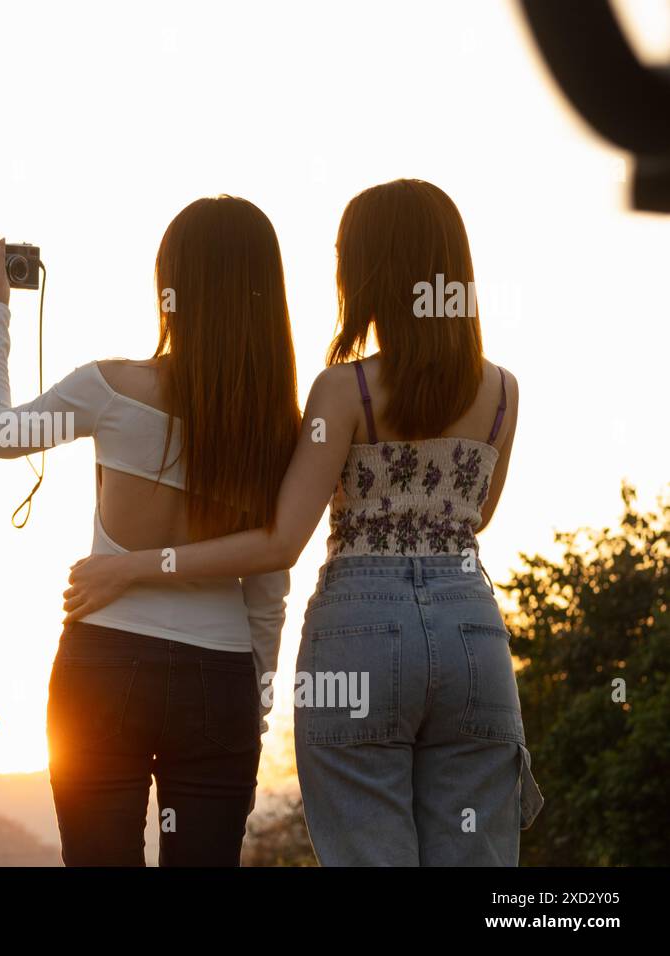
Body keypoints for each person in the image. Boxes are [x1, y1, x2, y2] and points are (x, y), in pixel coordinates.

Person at [63, 179, 543, 866]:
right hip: (472, 628)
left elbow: (279, 542)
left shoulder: (343, 392)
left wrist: (135, 564)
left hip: (364, 628)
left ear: (374, 269)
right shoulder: (502, 391)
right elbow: (480, 516)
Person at [0, 196, 301, 865]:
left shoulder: (110, 388)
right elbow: (268, 583)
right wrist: (251, 703)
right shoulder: (283, 431)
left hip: (104, 667)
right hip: (221, 678)